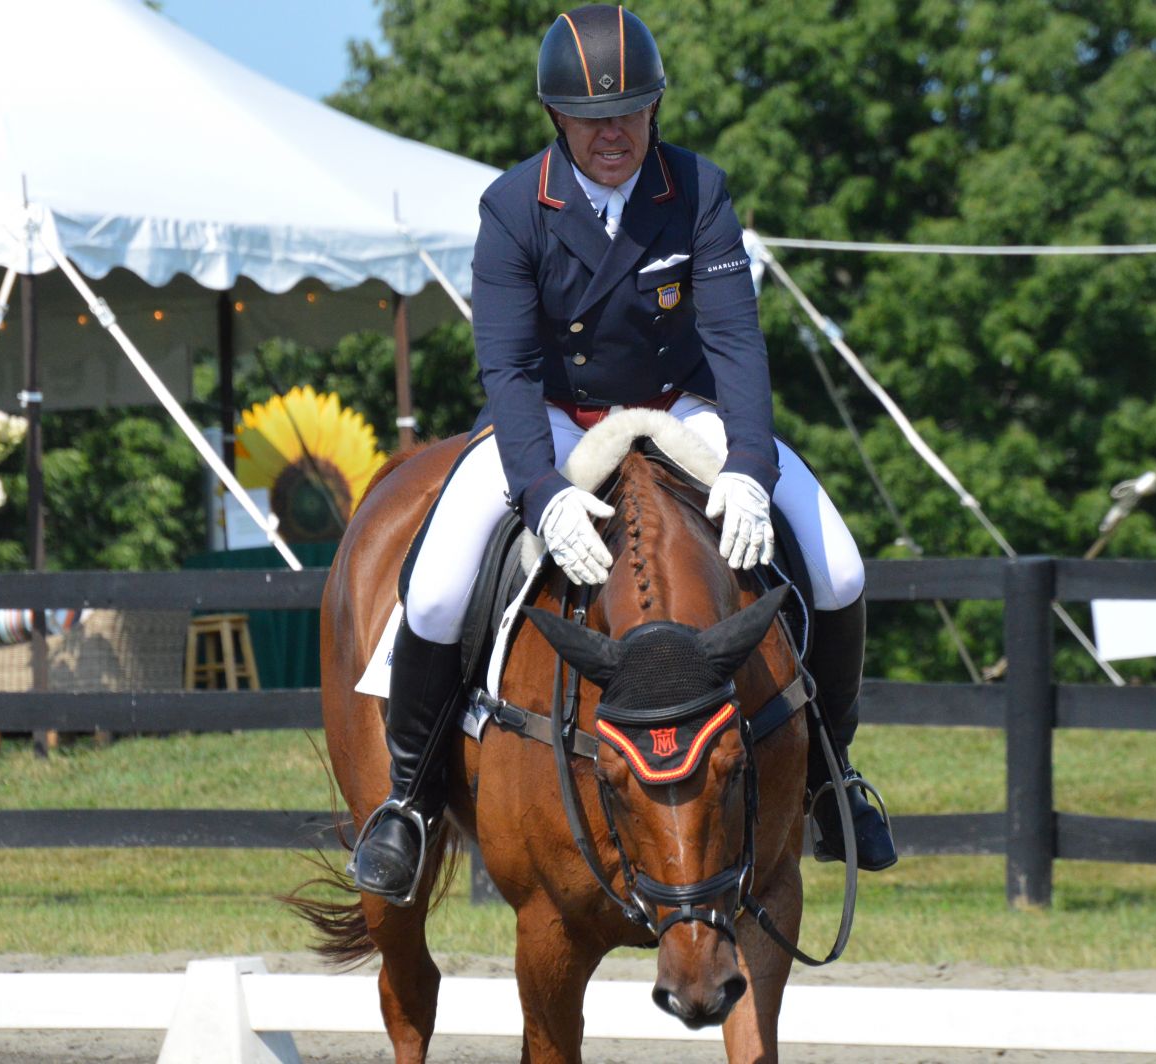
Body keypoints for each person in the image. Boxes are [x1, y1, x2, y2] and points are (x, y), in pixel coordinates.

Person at [350, 4, 896, 904]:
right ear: (557, 118)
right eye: (596, 118)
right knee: (441, 584)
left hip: (683, 409)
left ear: (655, 108)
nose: (616, 134)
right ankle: (407, 802)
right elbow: (511, 367)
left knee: (835, 565)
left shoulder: (698, 190)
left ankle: (833, 781)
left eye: (633, 112)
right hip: (557, 420)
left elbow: (735, 346)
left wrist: (752, 474)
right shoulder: (514, 207)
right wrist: (541, 491)